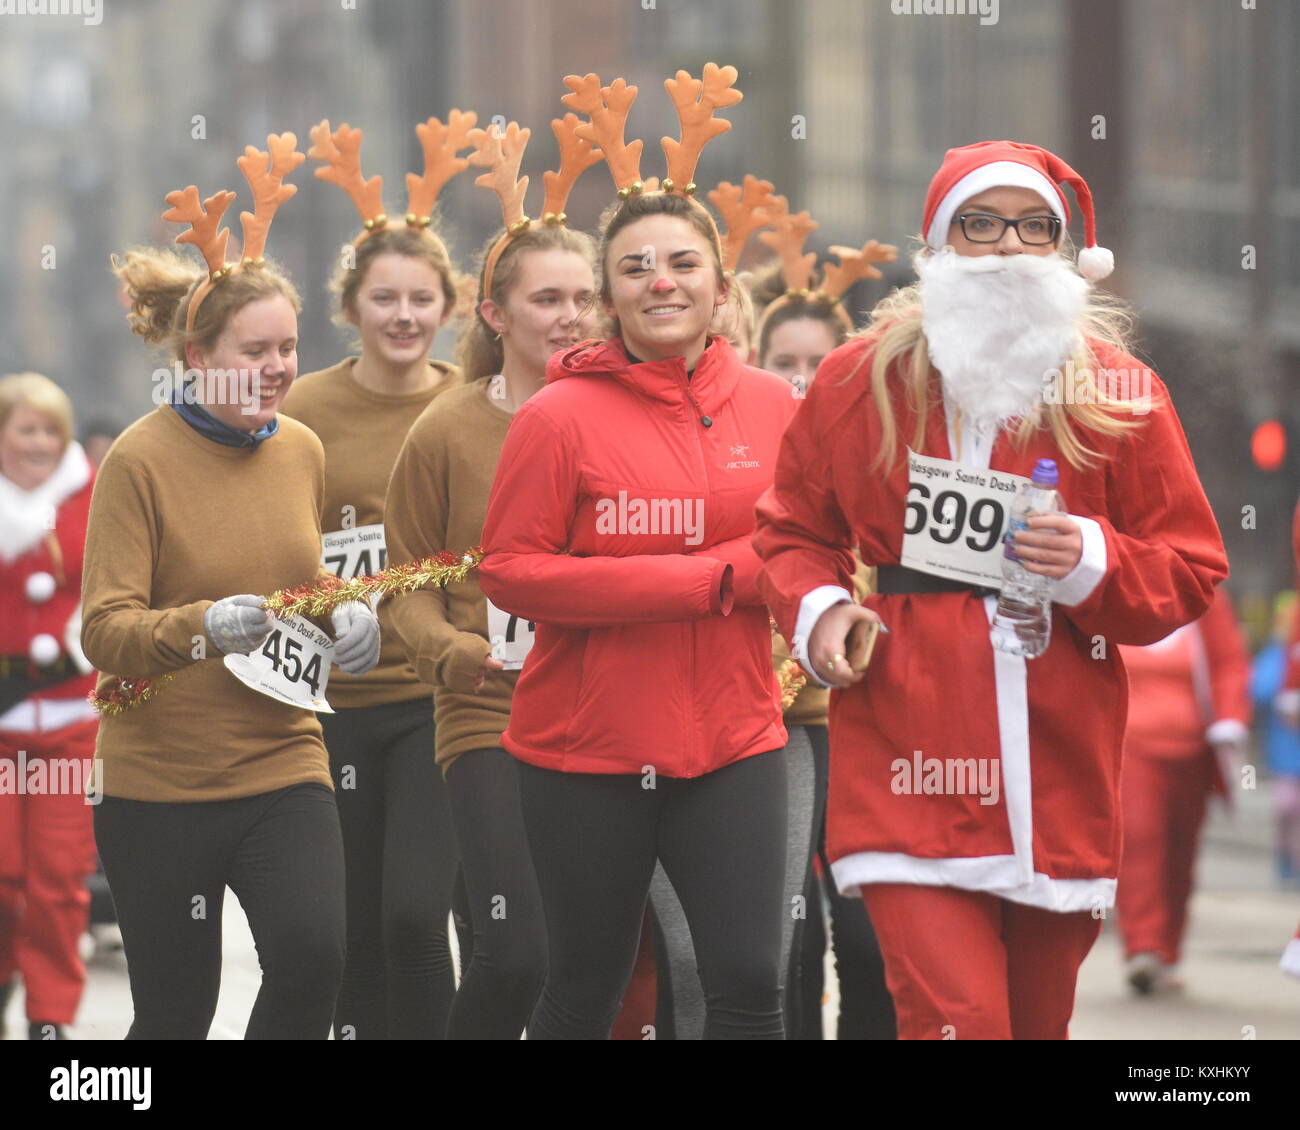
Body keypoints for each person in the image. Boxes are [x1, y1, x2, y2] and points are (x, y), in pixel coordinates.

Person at [754, 140, 1228, 1040]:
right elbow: (789, 529)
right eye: (981, 224)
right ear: (939, 243)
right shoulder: (862, 380)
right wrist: (821, 611)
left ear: (1061, 250)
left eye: (1032, 227)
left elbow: (1190, 567)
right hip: (906, 759)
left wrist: (1088, 555)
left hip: (1059, 773)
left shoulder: (1120, 392)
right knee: (959, 1023)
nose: (1008, 247)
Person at [477, 66, 796, 1040]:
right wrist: (707, 579)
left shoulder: (778, 407)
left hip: (735, 736)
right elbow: (511, 572)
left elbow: (814, 544)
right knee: (586, 984)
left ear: (719, 283)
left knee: (749, 976)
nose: (661, 280)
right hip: (587, 748)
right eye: (636, 266)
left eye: (682, 262)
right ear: (609, 293)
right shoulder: (557, 414)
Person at [85, 133, 380, 1039]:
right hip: (160, 781)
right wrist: (205, 625)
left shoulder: (301, 448)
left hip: (283, 760)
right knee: (175, 1014)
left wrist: (348, 609)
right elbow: (106, 629)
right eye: (256, 351)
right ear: (199, 352)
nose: (279, 370)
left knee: (314, 958)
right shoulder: (138, 461)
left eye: (289, 349)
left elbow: (301, 577)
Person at [384, 113, 598, 1039]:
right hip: (490, 712)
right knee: (516, 951)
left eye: (585, 297)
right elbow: (404, 581)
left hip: (609, 710)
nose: (573, 317)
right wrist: (452, 650)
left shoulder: (629, 414)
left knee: (591, 956)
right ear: (495, 313)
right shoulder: (447, 427)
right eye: (548, 299)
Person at [280, 115, 475, 1040]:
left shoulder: (467, 407)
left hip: (434, 697)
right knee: (349, 928)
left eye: (421, 299)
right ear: (350, 304)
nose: (403, 315)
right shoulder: (304, 407)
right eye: (384, 297)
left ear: (450, 308)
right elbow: (271, 535)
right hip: (328, 700)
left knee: (413, 914)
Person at [0, 372, 98, 1040]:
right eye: (25, 428)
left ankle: (51, 1014)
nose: (38, 443)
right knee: (4, 876)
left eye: (50, 431)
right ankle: (6, 974)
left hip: (69, 719)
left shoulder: (94, 496)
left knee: (59, 879)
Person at [1115, 588, 1250, 994]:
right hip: (1131, 747)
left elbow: (1229, 664)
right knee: (1139, 841)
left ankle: (1168, 950)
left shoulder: (1205, 599)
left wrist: (1229, 720)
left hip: (1194, 752)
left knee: (1181, 849)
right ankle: (1143, 947)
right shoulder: (1117, 592)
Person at [1250, 593, 1300, 883]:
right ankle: (1285, 859)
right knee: (1286, 807)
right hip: (1285, 752)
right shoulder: (1278, 654)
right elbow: (1260, 689)